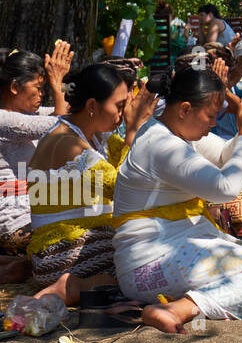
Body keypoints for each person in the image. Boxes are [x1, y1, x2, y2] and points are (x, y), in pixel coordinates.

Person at [111, 66, 242, 333]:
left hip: (178, 248)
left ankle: (188, 302)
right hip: (149, 264)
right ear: (185, 109)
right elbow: (224, 188)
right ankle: (180, 308)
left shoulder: (177, 133)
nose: (213, 124)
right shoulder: (160, 144)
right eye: (210, 116)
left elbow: (225, 156)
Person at [26, 64, 157, 298]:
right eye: (119, 107)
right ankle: (74, 287)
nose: (122, 114)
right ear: (92, 106)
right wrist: (133, 128)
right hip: (59, 253)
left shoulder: (95, 137)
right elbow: (124, 188)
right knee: (150, 267)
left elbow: (141, 165)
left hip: (84, 242)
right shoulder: (66, 142)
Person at [1, 43, 73, 277]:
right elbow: (63, 127)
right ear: (14, 87)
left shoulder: (27, 116)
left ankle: (18, 266)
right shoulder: (3, 119)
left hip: (31, 214)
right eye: (39, 88)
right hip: (12, 222)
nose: (43, 94)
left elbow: (72, 116)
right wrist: (57, 82)